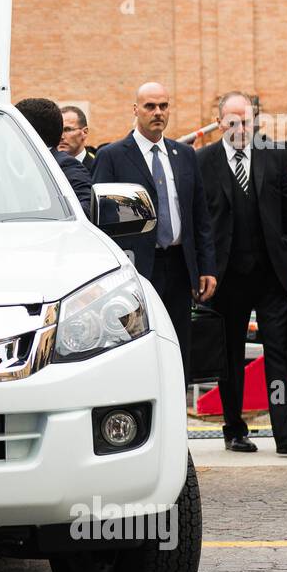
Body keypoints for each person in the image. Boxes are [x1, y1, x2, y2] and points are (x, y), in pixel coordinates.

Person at [198, 93, 287, 455]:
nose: (240, 128)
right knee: (231, 357)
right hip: (225, 277)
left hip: (271, 274)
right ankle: (234, 429)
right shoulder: (202, 161)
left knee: (280, 352)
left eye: (246, 121)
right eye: (232, 122)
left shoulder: (273, 155)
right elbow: (197, 221)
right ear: (220, 123)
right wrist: (202, 272)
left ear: (255, 123)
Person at [92, 82, 217, 376]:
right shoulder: (112, 156)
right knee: (137, 342)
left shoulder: (184, 155)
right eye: (150, 106)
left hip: (179, 266)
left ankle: (176, 412)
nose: (157, 112)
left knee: (178, 345)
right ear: (136, 110)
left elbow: (199, 215)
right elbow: (100, 221)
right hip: (135, 269)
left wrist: (206, 266)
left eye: (163, 106)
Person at [15, 97, 93, 217]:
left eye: (16, 127)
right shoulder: (14, 165)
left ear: (29, 131)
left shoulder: (66, 166)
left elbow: (85, 209)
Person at [60, 106, 97, 172]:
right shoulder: (48, 165)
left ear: (84, 132)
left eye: (67, 130)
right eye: (58, 130)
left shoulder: (97, 167)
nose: (61, 137)